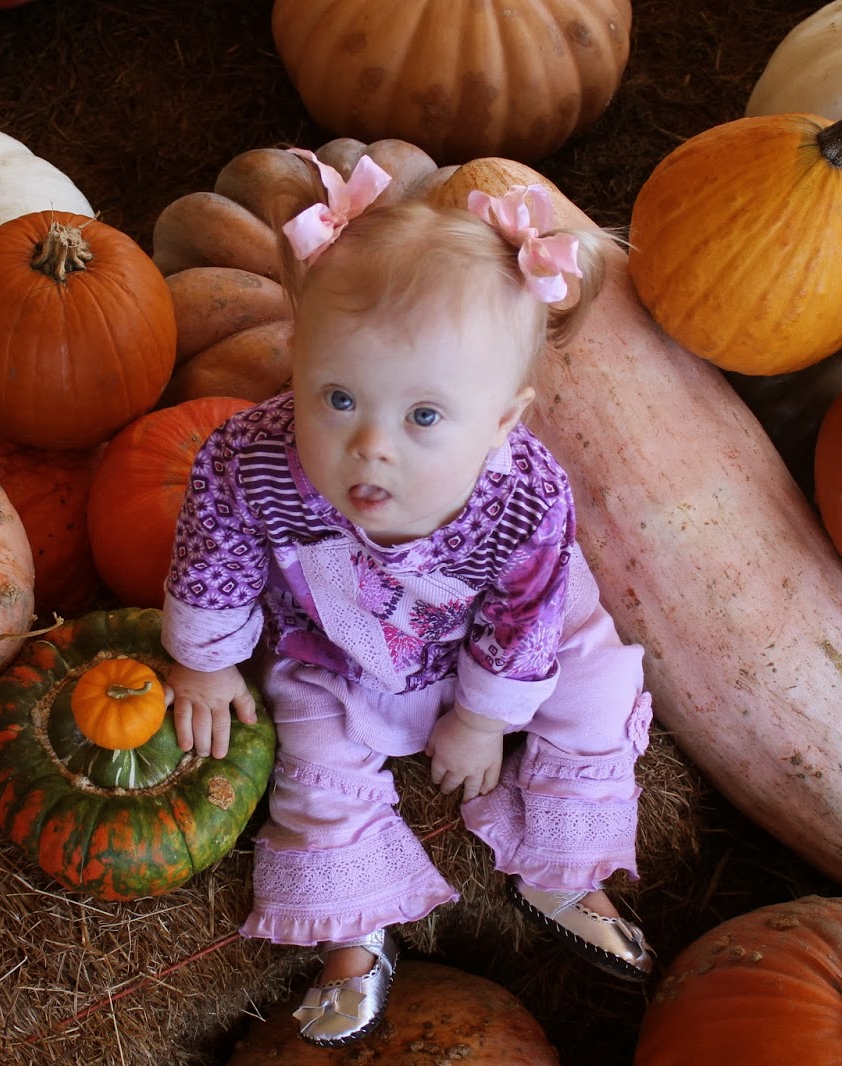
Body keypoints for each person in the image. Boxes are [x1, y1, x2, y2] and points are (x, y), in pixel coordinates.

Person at [158, 148, 655, 1048]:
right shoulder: (250, 459)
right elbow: (215, 553)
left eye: (424, 417)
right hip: (334, 633)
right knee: (313, 756)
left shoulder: (529, 495)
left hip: (490, 630)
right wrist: (206, 661)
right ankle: (355, 930)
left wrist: (482, 716)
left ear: (504, 420)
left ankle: (559, 861)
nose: (370, 446)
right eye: (337, 397)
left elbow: (527, 613)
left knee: (591, 678)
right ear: (296, 362)